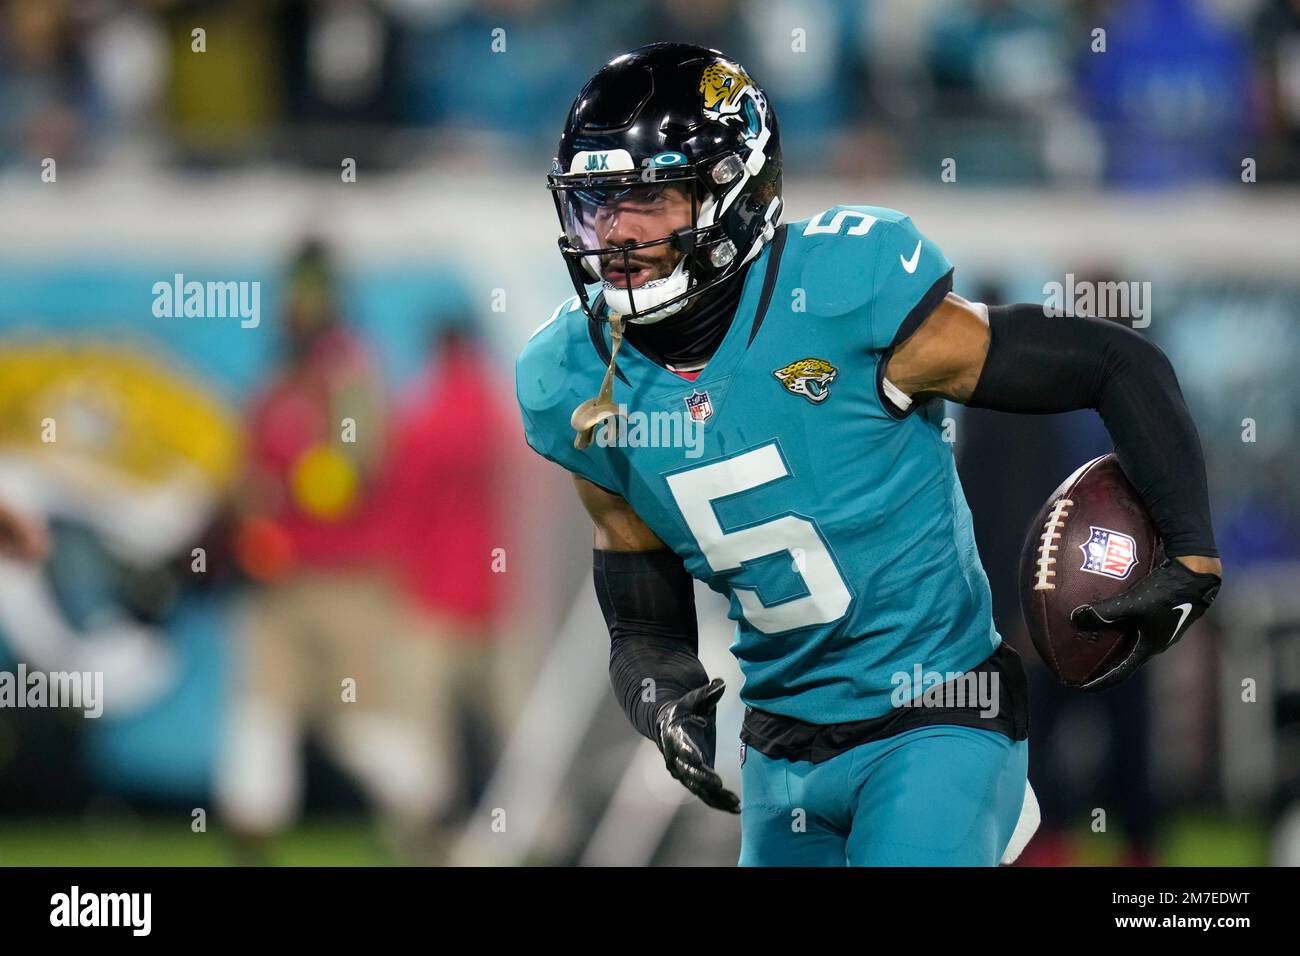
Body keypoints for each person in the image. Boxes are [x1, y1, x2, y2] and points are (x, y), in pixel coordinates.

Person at [515, 43, 1222, 866]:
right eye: (597, 201)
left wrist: (1194, 550)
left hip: (939, 717)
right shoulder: (571, 383)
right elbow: (641, 603)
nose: (615, 232)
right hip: (781, 748)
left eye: (647, 197)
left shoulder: (844, 291)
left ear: (736, 195)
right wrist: (660, 690)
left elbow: (1113, 362)